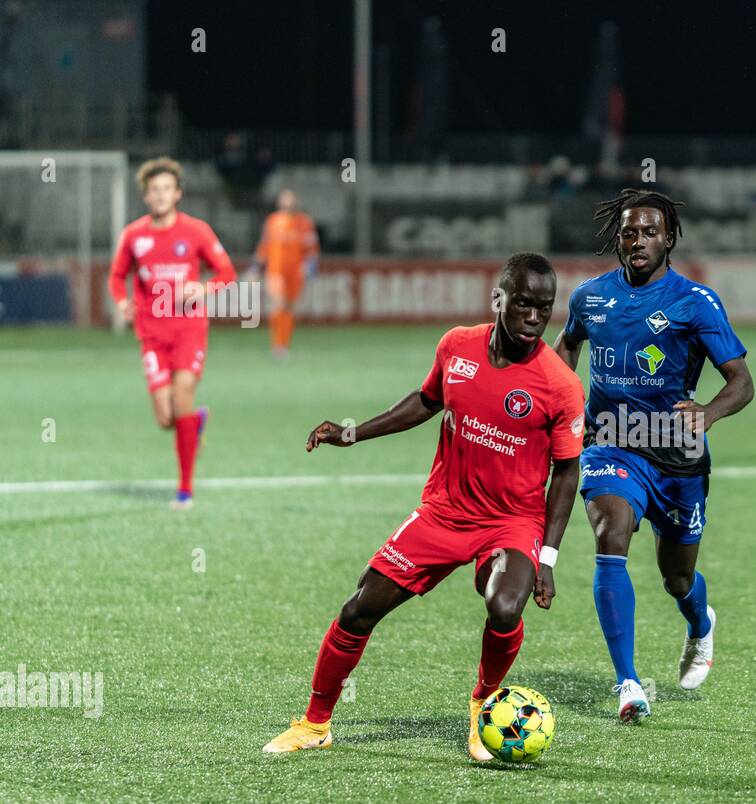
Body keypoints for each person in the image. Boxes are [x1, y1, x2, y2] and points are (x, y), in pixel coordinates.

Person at [262, 254, 585, 760]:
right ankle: (314, 723)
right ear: (499, 299)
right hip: (444, 512)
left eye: (544, 309)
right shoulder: (457, 346)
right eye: (523, 304)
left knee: (504, 605)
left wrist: (547, 557)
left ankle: (483, 705)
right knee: (358, 608)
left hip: (511, 522)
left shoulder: (559, 384)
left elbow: (567, 472)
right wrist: (353, 433)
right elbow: (425, 401)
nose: (533, 319)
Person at [553, 189, 754, 722]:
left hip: (678, 455)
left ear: (668, 238)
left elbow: (742, 382)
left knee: (677, 578)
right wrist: (559, 399)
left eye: (648, 232)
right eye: (628, 232)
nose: (637, 240)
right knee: (610, 533)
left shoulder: (696, 302)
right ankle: (628, 682)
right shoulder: (590, 297)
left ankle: (699, 623)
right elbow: (567, 349)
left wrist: (708, 413)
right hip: (611, 440)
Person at [108, 156, 237, 510]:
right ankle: (196, 423)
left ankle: (184, 490)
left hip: (189, 331)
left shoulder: (196, 231)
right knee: (167, 418)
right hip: (151, 334)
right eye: (154, 190)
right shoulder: (134, 236)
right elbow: (117, 277)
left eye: (167, 188)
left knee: (181, 401)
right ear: (146, 196)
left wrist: (203, 289)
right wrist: (121, 303)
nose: (161, 195)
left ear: (177, 193)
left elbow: (226, 272)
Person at [251, 189, 319, 356]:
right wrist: (255, 268)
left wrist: (310, 268)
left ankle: (283, 344)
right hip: (275, 270)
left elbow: (311, 249)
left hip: (295, 272)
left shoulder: (304, 222)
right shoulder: (272, 221)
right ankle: (277, 345)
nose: (287, 202)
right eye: (284, 199)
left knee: (289, 307)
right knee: (277, 304)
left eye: (290, 199)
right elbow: (264, 247)